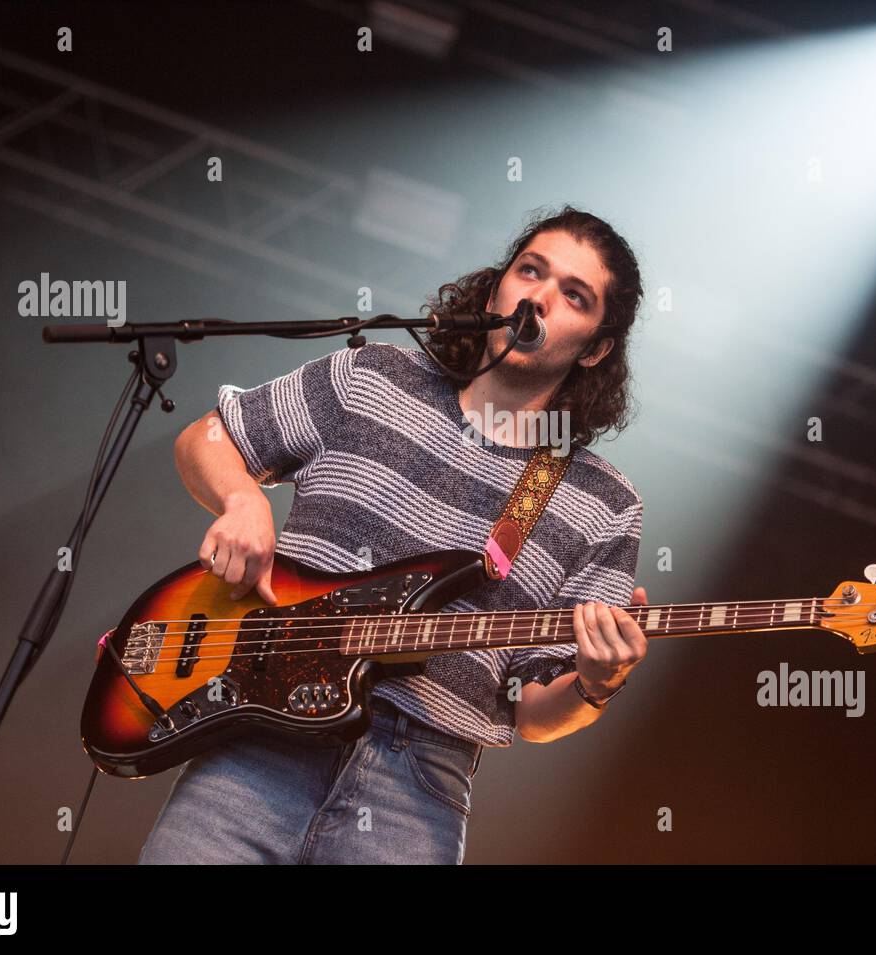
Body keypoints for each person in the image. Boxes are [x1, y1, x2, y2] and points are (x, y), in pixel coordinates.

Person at [138, 205, 648, 864]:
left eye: (573, 296)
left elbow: (533, 711)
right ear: (497, 285)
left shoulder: (604, 503)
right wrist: (242, 501)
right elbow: (205, 439)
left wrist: (595, 682)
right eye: (531, 270)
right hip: (257, 749)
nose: (540, 297)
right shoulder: (372, 375)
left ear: (597, 346)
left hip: (417, 788)